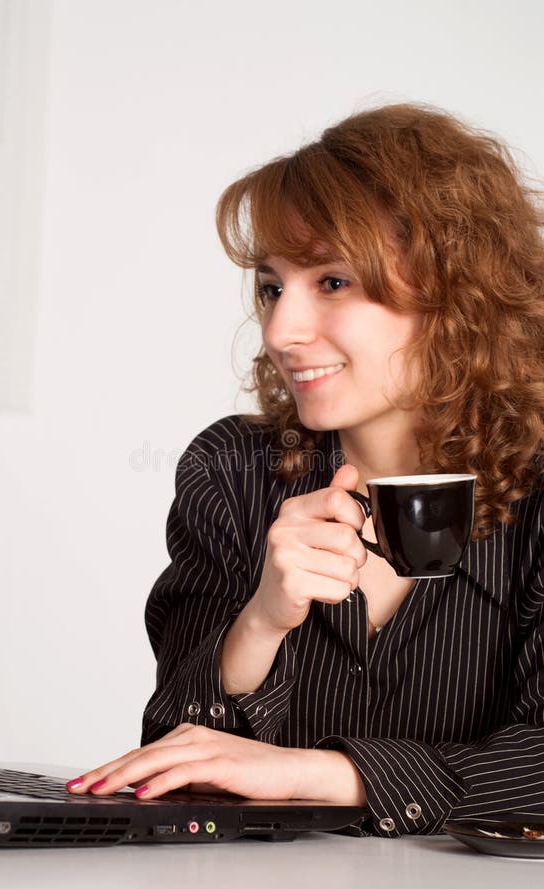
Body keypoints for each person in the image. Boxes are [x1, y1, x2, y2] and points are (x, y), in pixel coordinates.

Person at [67, 102, 544, 837]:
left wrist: (327, 775)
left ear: (459, 296)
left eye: (332, 281)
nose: (282, 330)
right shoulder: (231, 470)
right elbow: (179, 751)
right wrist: (259, 622)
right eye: (271, 286)